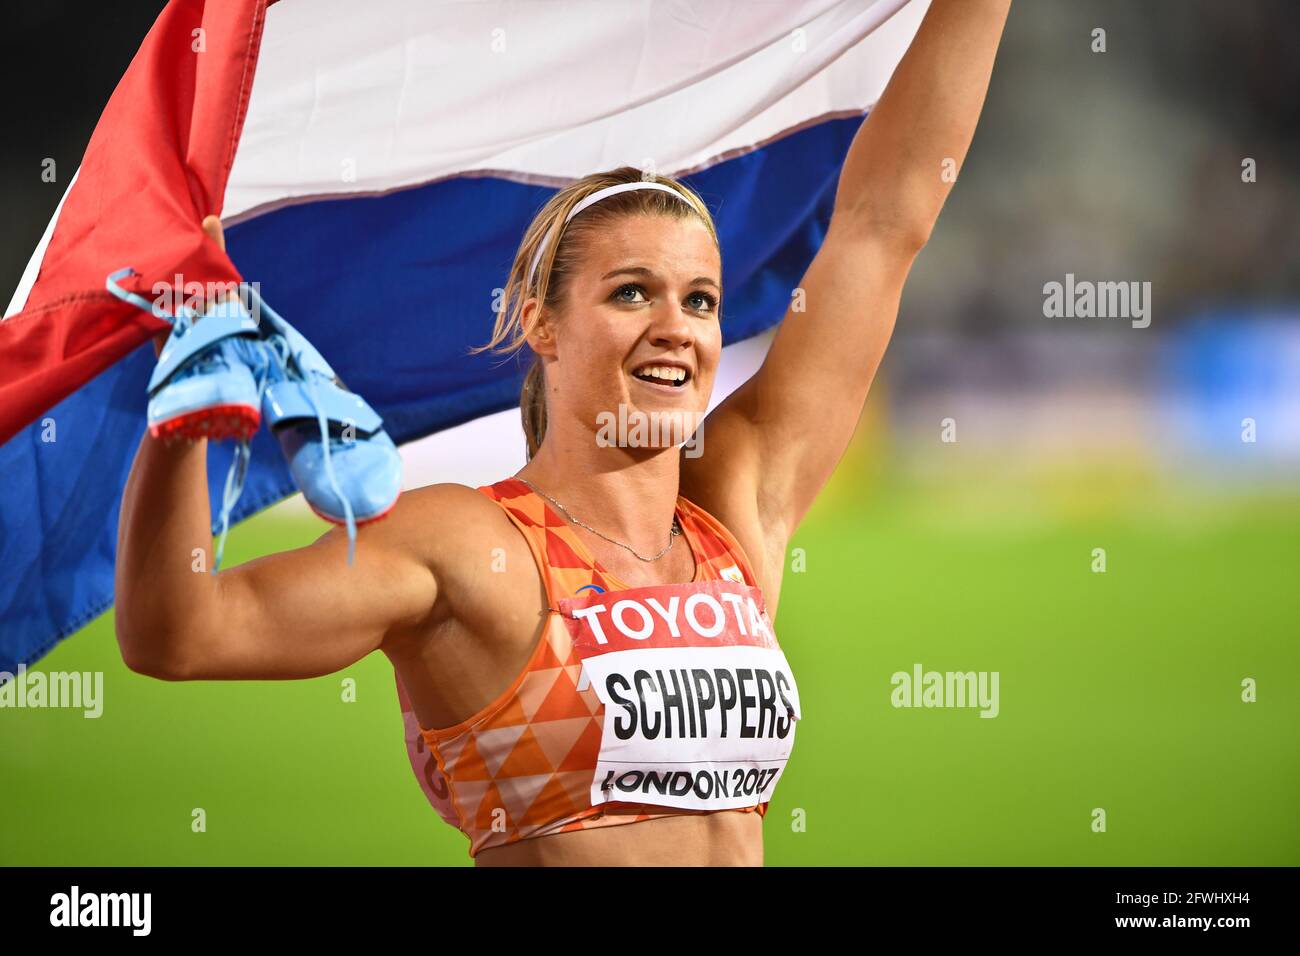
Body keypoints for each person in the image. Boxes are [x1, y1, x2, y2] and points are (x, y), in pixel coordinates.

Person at [114, 0, 1012, 866]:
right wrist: (181, 428)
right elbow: (180, 635)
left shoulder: (733, 512)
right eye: (631, 293)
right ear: (541, 324)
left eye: (699, 299)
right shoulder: (463, 544)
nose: (678, 327)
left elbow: (885, 222)